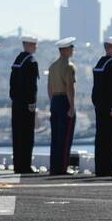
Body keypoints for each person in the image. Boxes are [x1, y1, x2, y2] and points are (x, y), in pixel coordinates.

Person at [91, 36, 112, 177]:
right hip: (110, 109)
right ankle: (107, 168)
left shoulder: (100, 64)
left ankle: (100, 167)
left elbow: (96, 89)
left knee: (100, 138)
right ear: (110, 48)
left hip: (100, 107)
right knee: (109, 139)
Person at [9, 35, 40, 174]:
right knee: (27, 135)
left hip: (16, 102)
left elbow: (12, 82)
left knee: (17, 135)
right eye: (34, 45)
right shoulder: (31, 61)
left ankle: (18, 165)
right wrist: (32, 103)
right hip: (27, 104)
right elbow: (31, 86)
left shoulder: (18, 60)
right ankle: (25, 165)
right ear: (28, 45)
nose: (35, 47)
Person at [47, 38, 77, 176]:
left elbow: (50, 87)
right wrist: (71, 106)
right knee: (65, 137)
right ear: (64, 50)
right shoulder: (69, 66)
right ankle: (62, 168)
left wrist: (53, 101)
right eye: (70, 47)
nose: (72, 49)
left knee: (55, 136)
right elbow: (69, 87)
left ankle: (54, 167)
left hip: (55, 100)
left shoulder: (53, 66)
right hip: (65, 100)